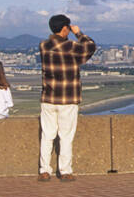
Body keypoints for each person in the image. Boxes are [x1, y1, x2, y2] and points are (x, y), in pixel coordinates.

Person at [38, 14, 96, 182]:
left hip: (48, 98)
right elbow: (90, 47)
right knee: (66, 136)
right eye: (68, 28)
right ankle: (65, 171)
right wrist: (79, 33)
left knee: (47, 135)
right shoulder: (71, 46)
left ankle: (44, 170)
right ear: (65, 28)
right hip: (68, 98)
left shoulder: (43, 46)